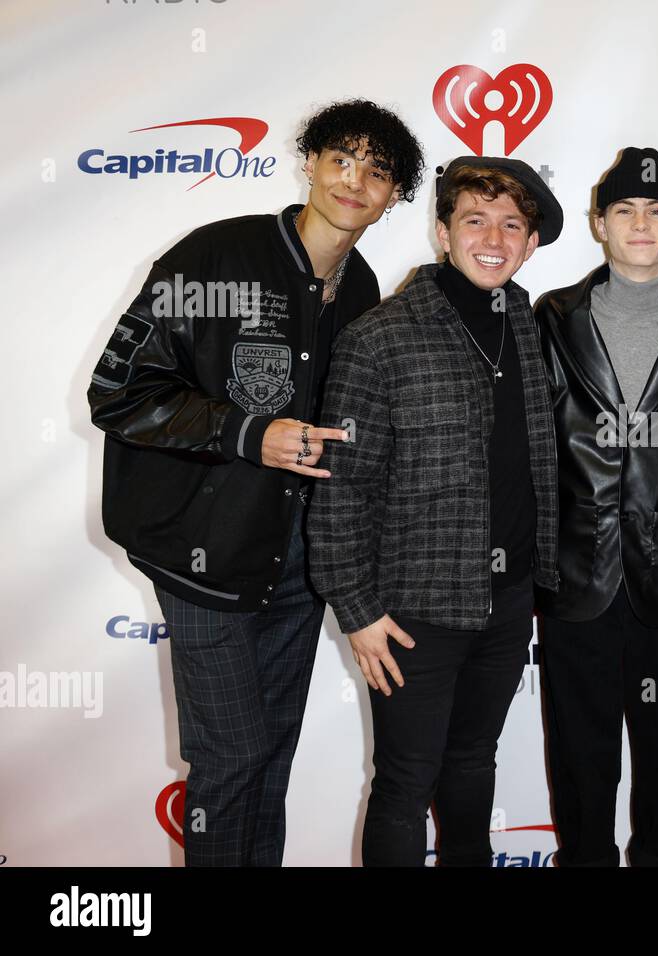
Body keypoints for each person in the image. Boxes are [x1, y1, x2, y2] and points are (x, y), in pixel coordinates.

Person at [87, 99, 425, 866]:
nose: (355, 181)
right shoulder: (212, 257)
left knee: (269, 759)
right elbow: (118, 393)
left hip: (298, 570)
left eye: (378, 172)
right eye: (342, 159)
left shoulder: (365, 291)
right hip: (201, 556)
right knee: (231, 758)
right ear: (309, 161)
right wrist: (247, 432)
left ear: (394, 195)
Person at [308, 156, 562, 867]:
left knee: (474, 764)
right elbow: (340, 488)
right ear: (443, 233)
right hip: (411, 611)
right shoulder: (379, 337)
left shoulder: (525, 326)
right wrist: (356, 610)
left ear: (530, 242)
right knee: (404, 784)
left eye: (513, 224)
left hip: (507, 603)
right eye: (475, 220)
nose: (495, 237)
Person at [533, 147, 658, 867]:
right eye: (624, 211)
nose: (640, 224)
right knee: (580, 763)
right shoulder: (551, 317)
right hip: (577, 576)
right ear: (598, 224)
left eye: (656, 211)